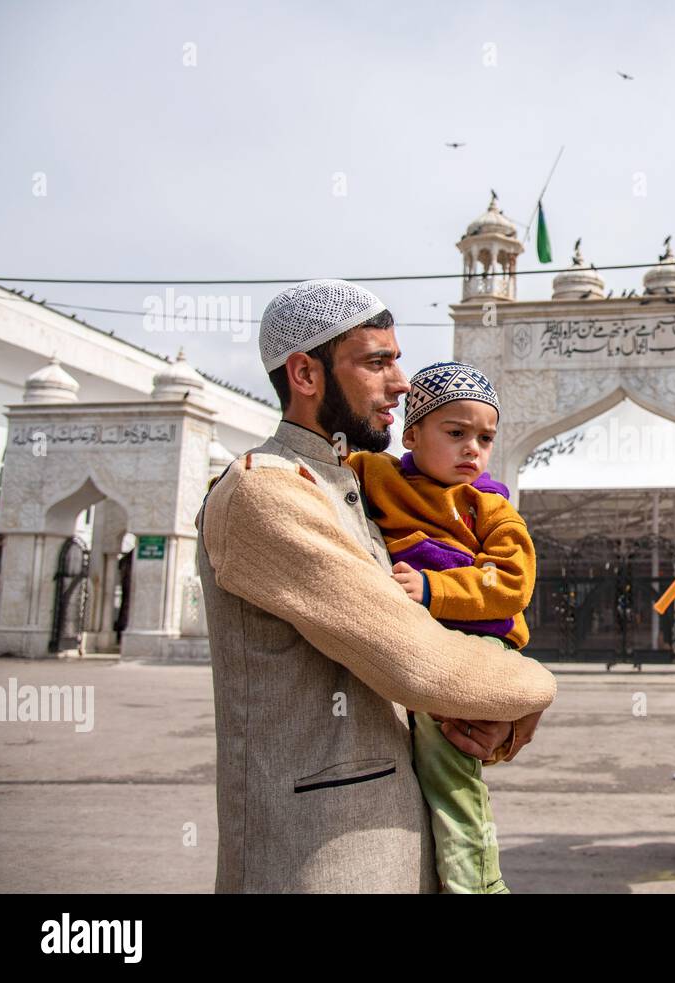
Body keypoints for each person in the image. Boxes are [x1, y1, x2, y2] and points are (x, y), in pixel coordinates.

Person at [196, 279, 556, 893]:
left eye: (397, 360)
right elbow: (419, 662)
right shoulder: (269, 491)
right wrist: (536, 690)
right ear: (305, 375)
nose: (400, 383)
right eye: (377, 361)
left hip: (396, 834)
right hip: (320, 852)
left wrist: (489, 721)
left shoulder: (360, 491)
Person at [347, 360, 533, 894]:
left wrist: (434, 589)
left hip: (471, 647)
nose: (472, 449)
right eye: (455, 434)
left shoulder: (489, 507)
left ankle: (478, 884)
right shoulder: (376, 475)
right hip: (407, 646)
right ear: (411, 435)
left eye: (485, 438)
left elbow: (512, 583)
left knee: (450, 773)